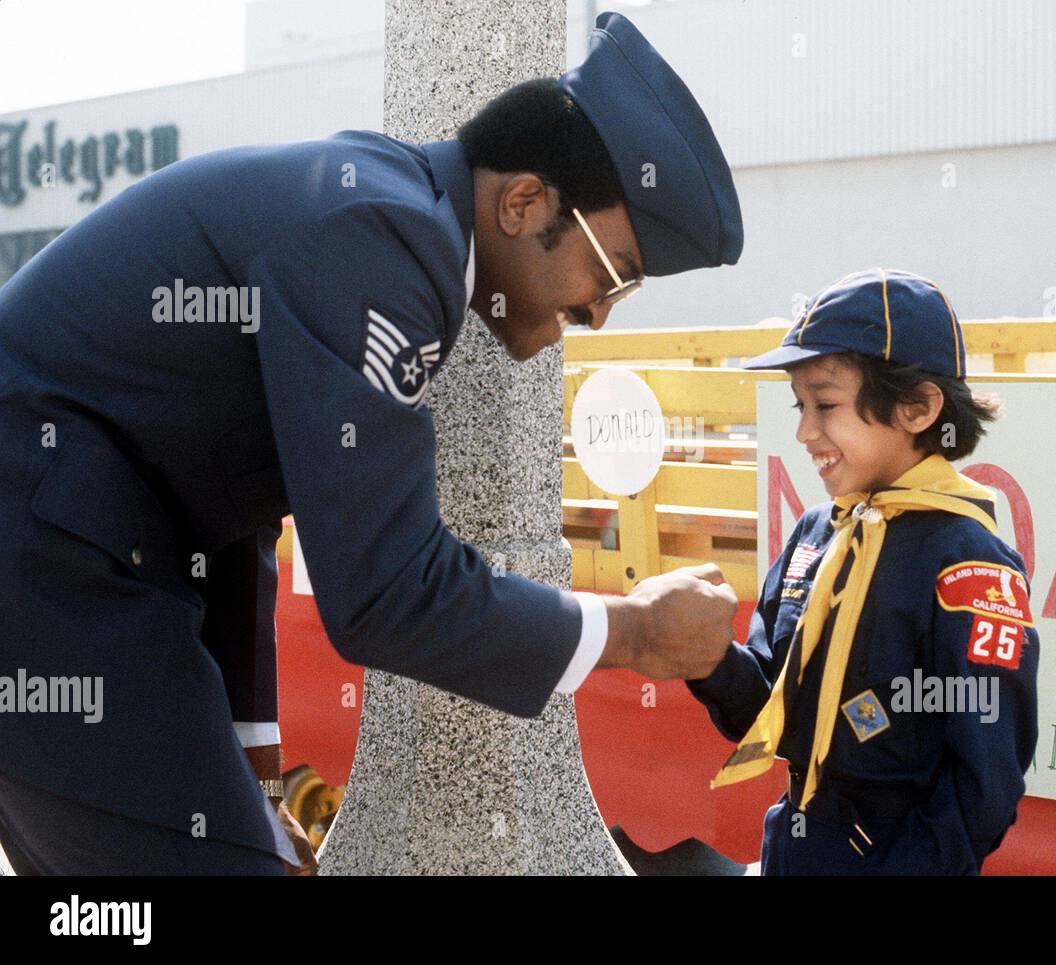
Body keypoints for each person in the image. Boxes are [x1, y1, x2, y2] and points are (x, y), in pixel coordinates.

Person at [0, 13, 741, 874]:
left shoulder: (385, 211)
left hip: (64, 549)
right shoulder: (385, 242)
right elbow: (387, 590)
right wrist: (636, 633)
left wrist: (252, 749)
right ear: (524, 202)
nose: (598, 312)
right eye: (612, 274)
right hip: (50, 566)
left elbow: (224, 495)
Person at [687, 269, 1040, 875]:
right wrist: (705, 655)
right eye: (801, 406)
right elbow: (768, 714)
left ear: (919, 407)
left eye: (826, 405)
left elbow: (985, 785)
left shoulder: (968, 563)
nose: (803, 431)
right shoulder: (817, 534)